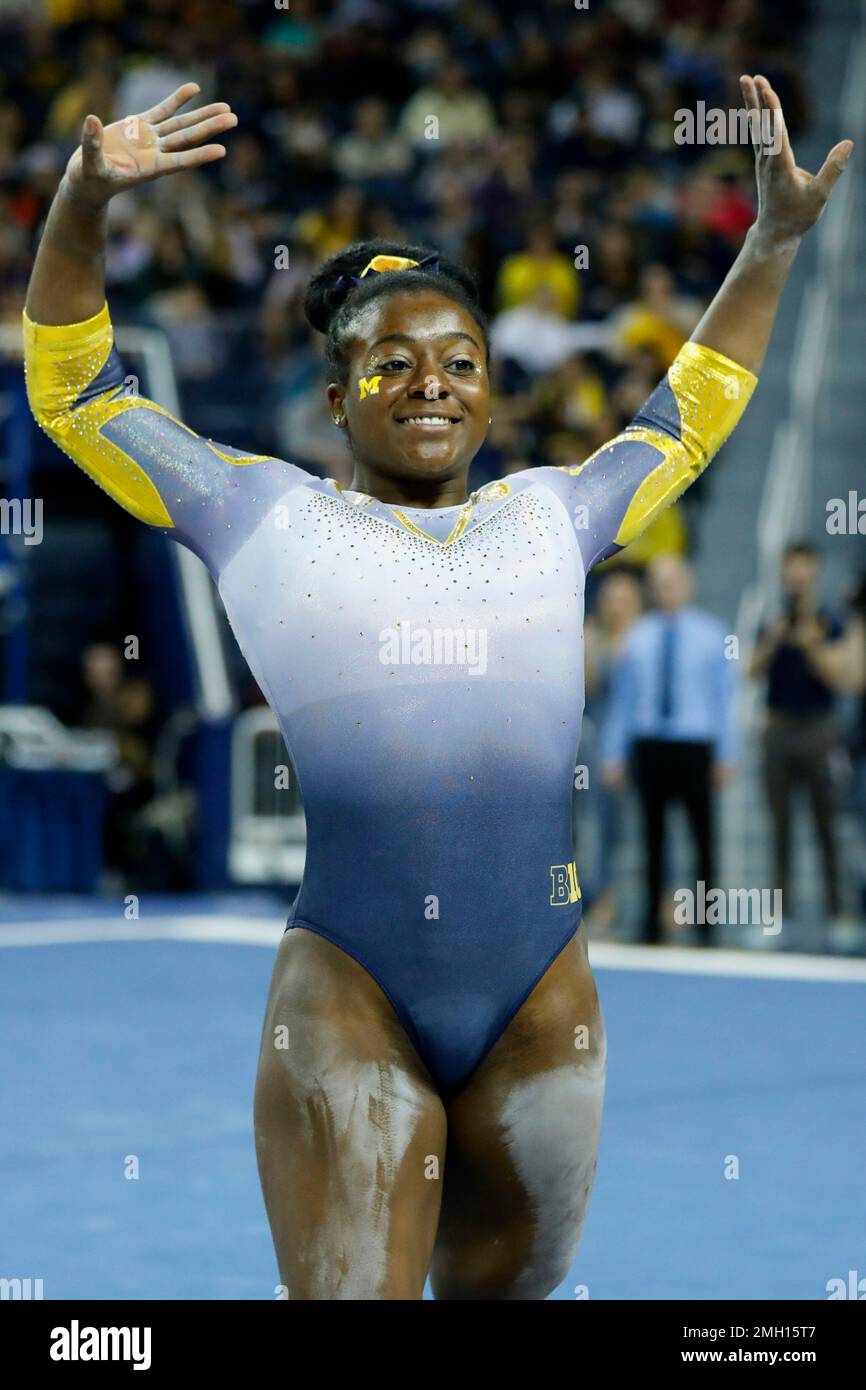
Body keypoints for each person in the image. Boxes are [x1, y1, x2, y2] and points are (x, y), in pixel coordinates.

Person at [23, 76, 851, 1299]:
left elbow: (687, 416)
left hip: (541, 1001)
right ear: (333, 394)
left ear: (488, 388)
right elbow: (79, 393)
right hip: (353, 992)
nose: (431, 382)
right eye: (392, 361)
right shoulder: (259, 510)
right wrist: (84, 203)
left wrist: (772, 242)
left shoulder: (554, 512)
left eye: (459, 360)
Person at [599, 556, 738, 946]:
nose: (667, 590)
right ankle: (651, 923)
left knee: (703, 838)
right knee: (652, 836)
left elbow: (725, 699)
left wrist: (727, 752)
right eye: (659, 583)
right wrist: (614, 752)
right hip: (650, 745)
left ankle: (707, 925)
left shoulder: (713, 635)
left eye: (673, 582)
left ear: (688, 585)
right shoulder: (637, 637)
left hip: (695, 745)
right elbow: (624, 701)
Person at [749, 543, 856, 949]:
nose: (797, 576)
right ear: (783, 571)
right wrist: (777, 639)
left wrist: (810, 641)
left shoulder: (831, 620)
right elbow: (751, 672)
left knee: (827, 826)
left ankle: (839, 915)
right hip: (777, 732)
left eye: (804, 568)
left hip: (819, 732)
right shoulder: (771, 617)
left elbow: (839, 677)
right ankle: (778, 918)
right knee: (779, 830)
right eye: (791, 568)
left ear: (816, 571)